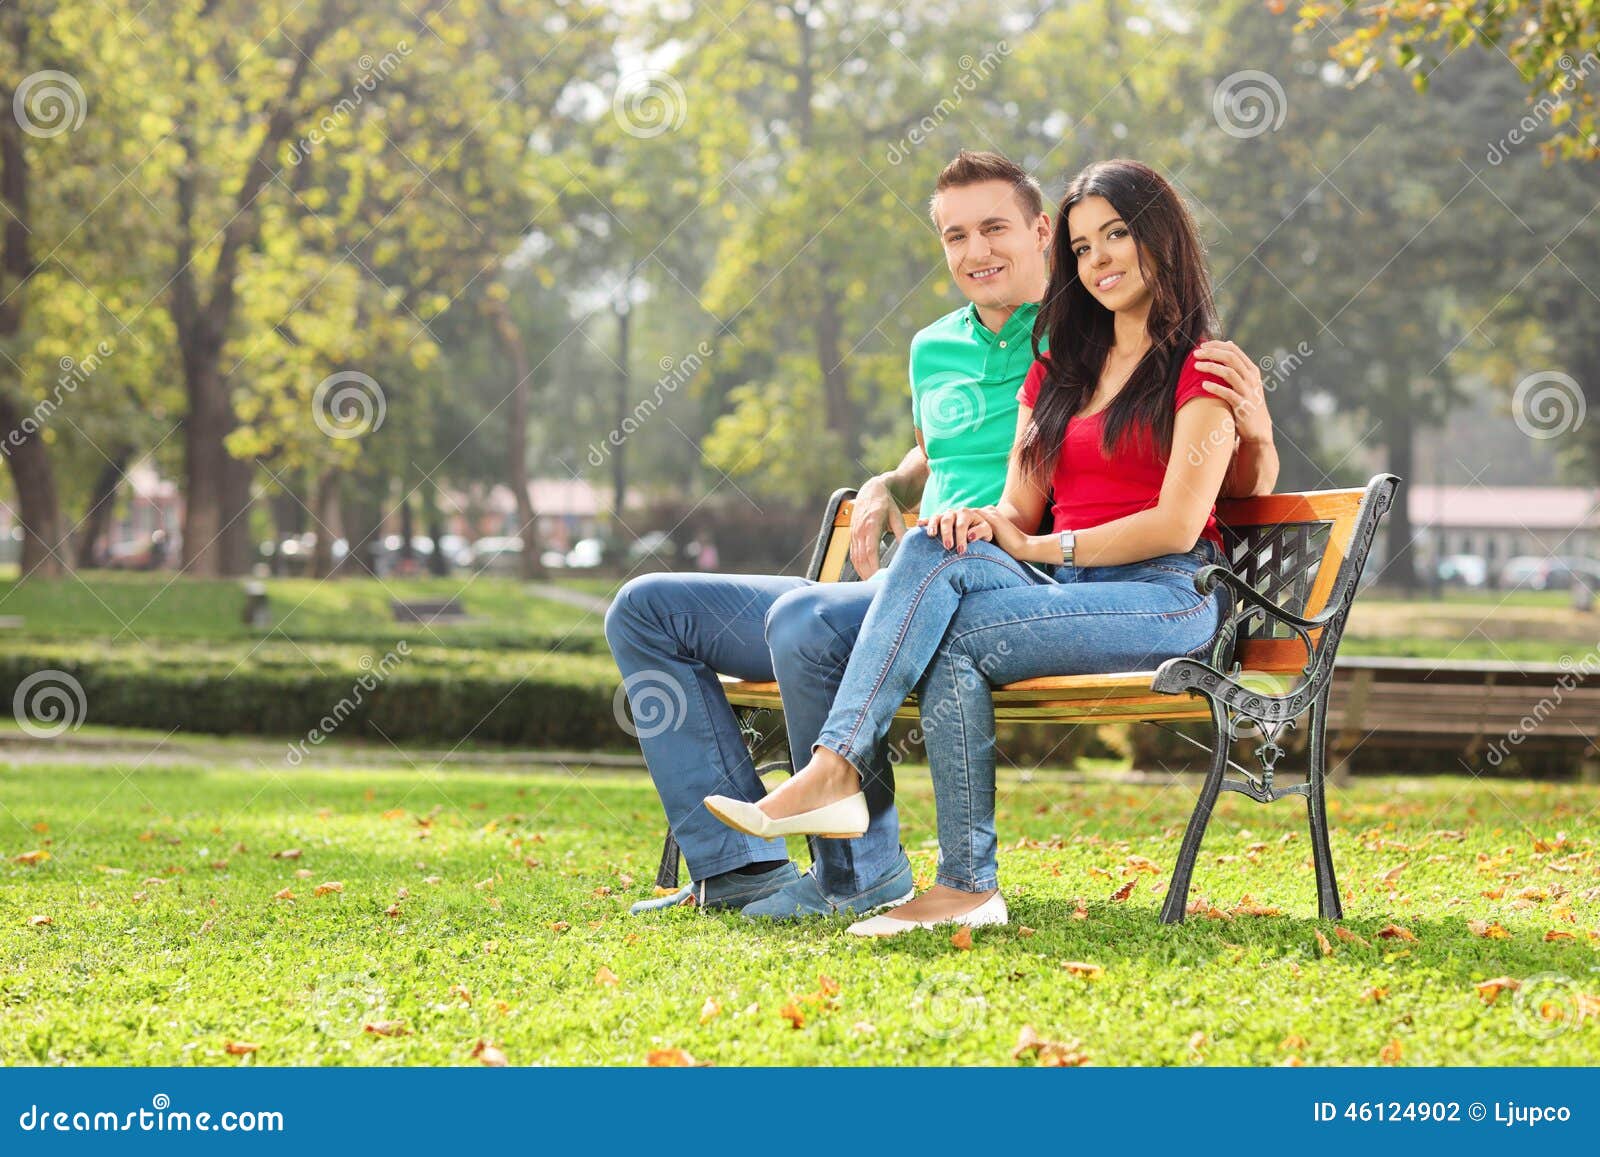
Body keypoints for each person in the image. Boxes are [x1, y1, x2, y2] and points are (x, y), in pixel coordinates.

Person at [608, 151, 1275, 920]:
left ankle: (859, 858)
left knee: (808, 621)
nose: (976, 251)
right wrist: (895, 486)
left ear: (1039, 234)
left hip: (1073, 581)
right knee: (646, 607)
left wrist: (1254, 435)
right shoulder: (1006, 361)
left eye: (996, 229)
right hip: (947, 572)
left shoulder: (1095, 344)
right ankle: (751, 867)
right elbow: (947, 459)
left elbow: (1194, 505)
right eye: (956, 235)